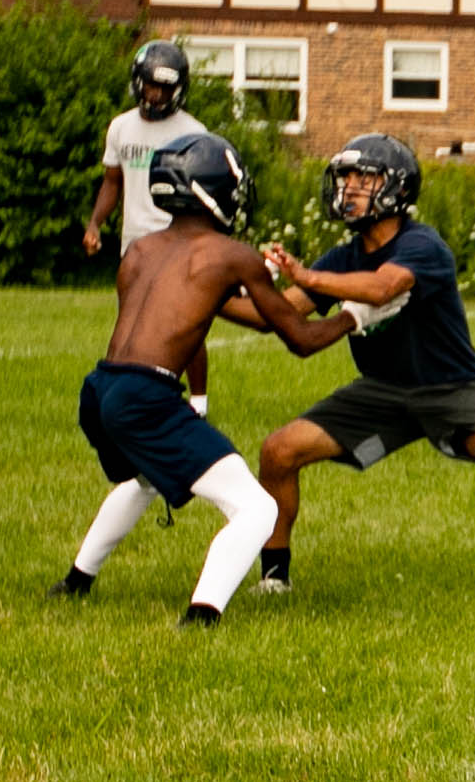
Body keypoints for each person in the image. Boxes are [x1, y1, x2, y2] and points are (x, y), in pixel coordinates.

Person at [239, 131, 475, 615]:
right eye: (346, 177)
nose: (349, 187)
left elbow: (383, 287)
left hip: (451, 386)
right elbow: (275, 316)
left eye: (363, 178)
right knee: (279, 450)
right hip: (383, 391)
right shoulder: (344, 256)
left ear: (396, 189)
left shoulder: (423, 244)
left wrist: (308, 276)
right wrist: (208, 291)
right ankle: (275, 579)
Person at [59, 133, 341, 625]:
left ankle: (76, 581)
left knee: (144, 479)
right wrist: (356, 315)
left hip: (101, 389)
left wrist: (254, 284)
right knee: (257, 509)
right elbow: (300, 339)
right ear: (213, 190)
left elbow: (186, 321)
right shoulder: (230, 254)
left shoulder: (142, 250)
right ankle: (202, 616)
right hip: (144, 396)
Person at [86, 39, 218, 415]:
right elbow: (113, 182)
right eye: (151, 85)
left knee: (186, 319)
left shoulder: (194, 131)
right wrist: (95, 223)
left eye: (164, 87)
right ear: (138, 83)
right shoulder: (121, 128)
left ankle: (198, 400)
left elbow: (205, 191)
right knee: (132, 319)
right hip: (136, 241)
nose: (156, 94)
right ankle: (128, 390)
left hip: (178, 238)